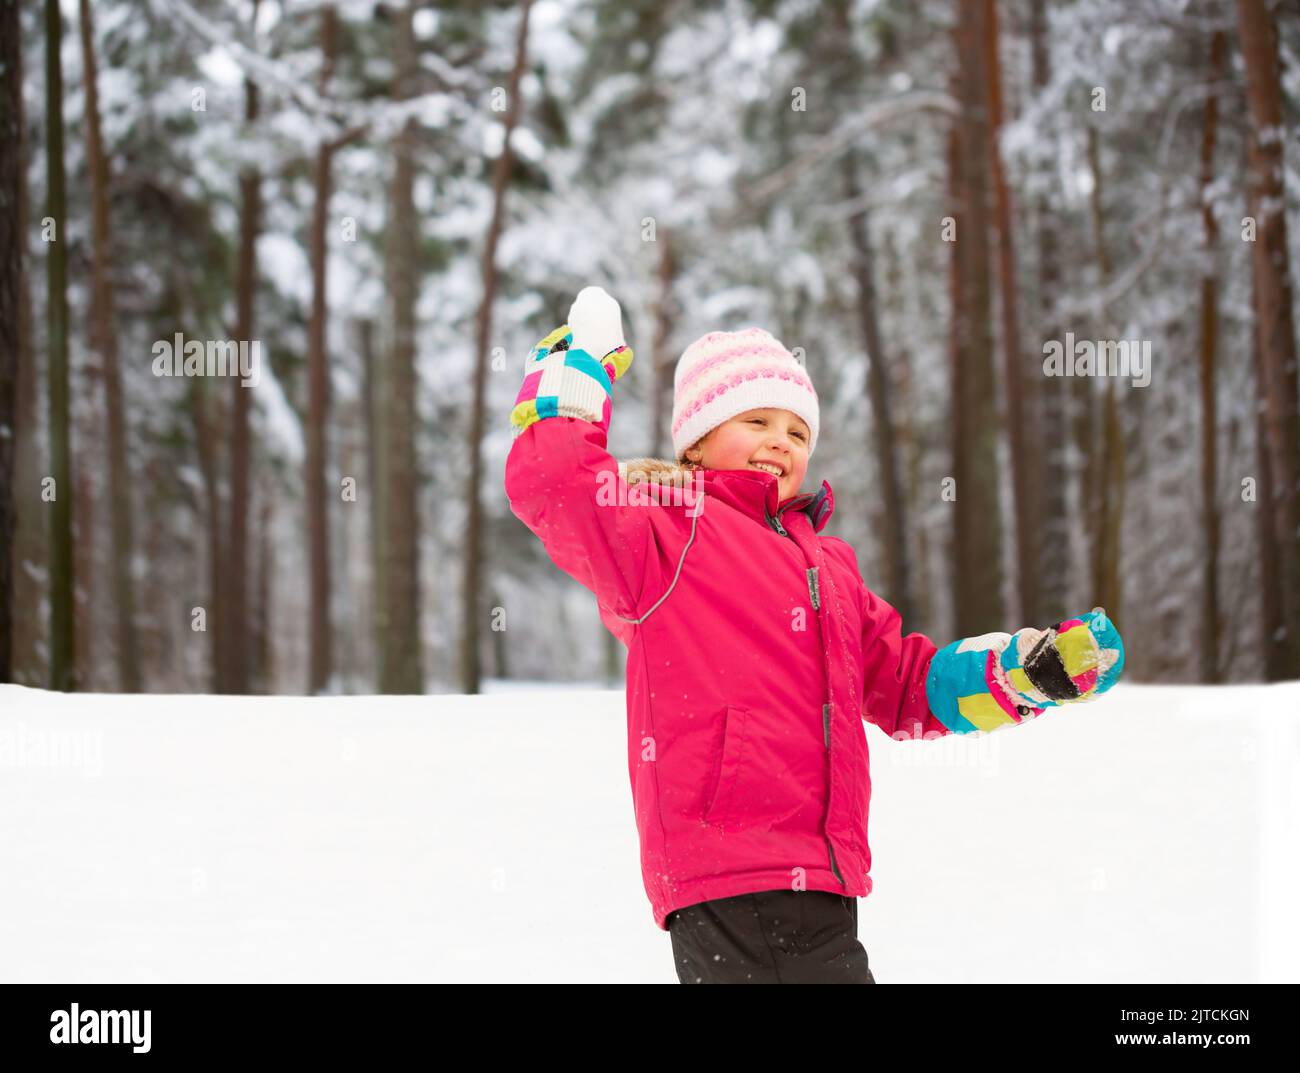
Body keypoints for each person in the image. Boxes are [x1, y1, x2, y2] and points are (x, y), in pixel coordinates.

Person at [504, 287, 1126, 984]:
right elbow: (555, 484)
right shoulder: (665, 535)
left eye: (798, 431)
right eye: (757, 420)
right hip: (731, 869)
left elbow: (908, 687)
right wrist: (579, 368)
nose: (781, 440)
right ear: (699, 441)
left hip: (823, 873)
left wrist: (1022, 673)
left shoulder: (829, 568)